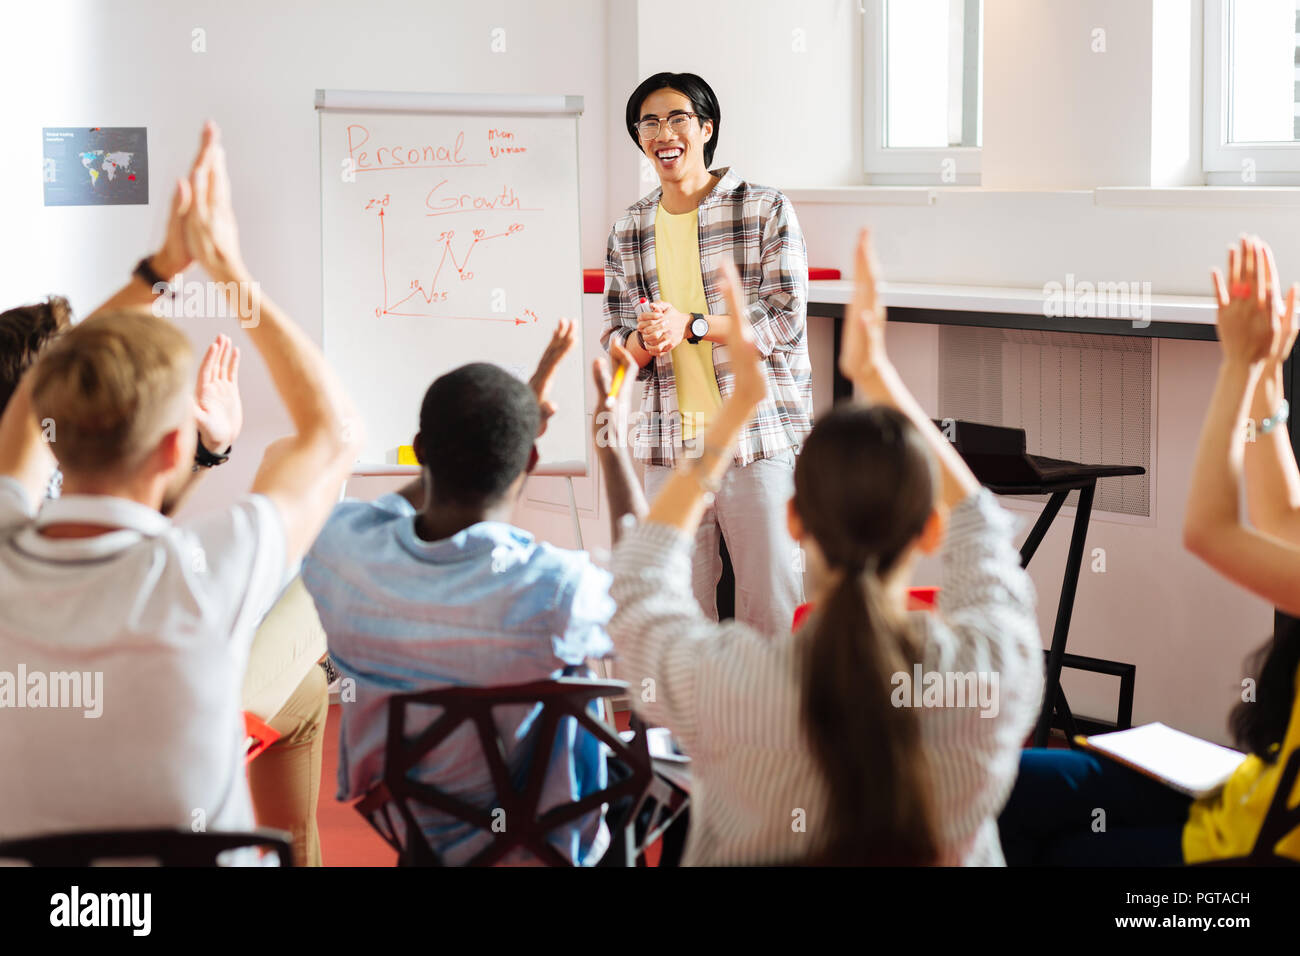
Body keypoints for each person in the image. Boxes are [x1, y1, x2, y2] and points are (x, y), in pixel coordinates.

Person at [595, 232, 1043, 865]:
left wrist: (736, 411)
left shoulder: (724, 685)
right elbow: (984, 532)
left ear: (794, 521)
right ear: (929, 530)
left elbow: (640, 580)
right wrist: (879, 376)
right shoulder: (993, 674)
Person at [0, 121, 364, 859]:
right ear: (170, 446)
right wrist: (219, 266)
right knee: (322, 573)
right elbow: (334, 432)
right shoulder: (209, 571)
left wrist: (161, 271)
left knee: (296, 698)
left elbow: (35, 407)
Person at [999, 235, 1300, 865]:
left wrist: (1240, 367)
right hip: (1238, 796)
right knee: (1003, 787)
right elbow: (1280, 517)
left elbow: (1210, 531)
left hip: (1244, 849)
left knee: (1056, 847)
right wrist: (1268, 372)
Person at [301, 320, 621, 866]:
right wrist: (611, 443)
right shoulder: (558, 589)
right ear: (531, 463)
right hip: (547, 849)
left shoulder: (339, 553)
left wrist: (510, 423)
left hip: (423, 843)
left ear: (420, 450)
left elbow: (379, 514)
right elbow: (650, 577)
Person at [601, 71, 812, 637]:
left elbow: (785, 319)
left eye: (678, 118)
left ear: (706, 127)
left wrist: (692, 325)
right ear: (640, 138)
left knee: (770, 608)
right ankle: (693, 727)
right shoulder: (630, 228)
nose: (663, 132)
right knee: (676, 614)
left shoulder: (764, 208)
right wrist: (642, 340)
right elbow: (616, 342)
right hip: (672, 447)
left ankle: (769, 725)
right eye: (649, 122)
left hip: (757, 440)